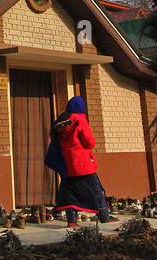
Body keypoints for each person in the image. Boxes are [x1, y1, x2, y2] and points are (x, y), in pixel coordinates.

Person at [47, 95, 114, 227]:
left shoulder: (62, 120)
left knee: (69, 193)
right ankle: (104, 216)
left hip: (67, 164)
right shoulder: (79, 119)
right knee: (96, 191)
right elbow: (90, 142)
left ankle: (72, 221)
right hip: (82, 163)